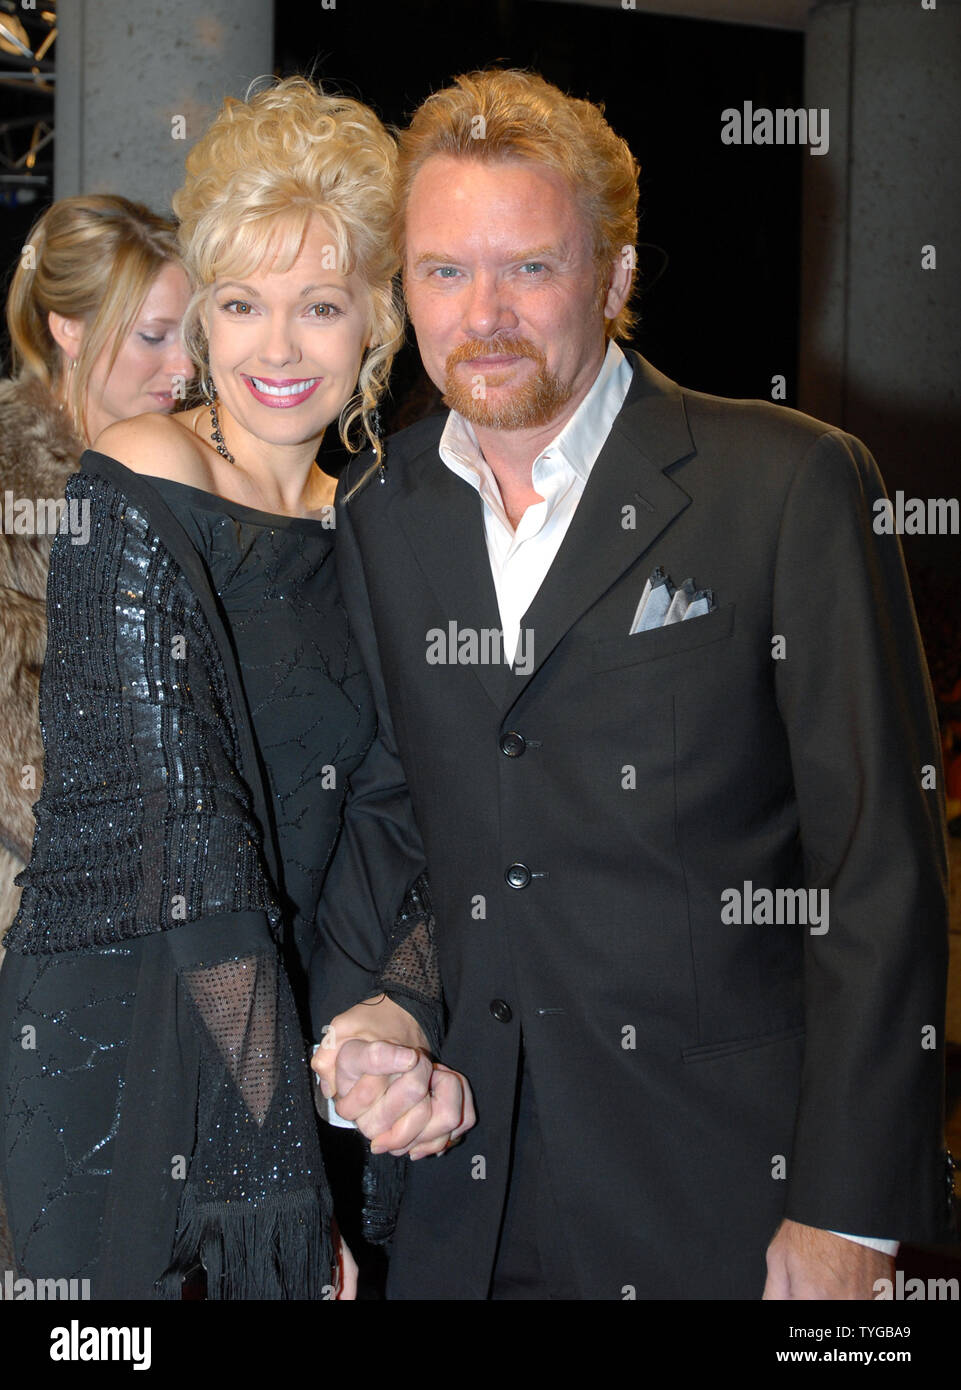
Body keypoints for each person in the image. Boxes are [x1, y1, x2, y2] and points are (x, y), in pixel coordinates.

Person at [311, 68, 954, 1300]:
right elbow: (393, 813)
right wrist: (367, 1022)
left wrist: (846, 1215)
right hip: (457, 1198)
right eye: (444, 271)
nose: (483, 313)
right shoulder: (378, 510)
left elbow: (876, 870)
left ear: (612, 277)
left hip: (726, 1207)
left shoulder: (787, 485)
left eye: (530, 269)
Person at [0, 77, 458, 1300]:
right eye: (242, 303)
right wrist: (275, 1171)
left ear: (377, 322)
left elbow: (408, 813)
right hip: (116, 1032)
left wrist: (394, 1010)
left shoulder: (380, 528)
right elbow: (188, 834)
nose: (277, 347)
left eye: (321, 306)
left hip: (289, 1027)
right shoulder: (139, 472)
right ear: (200, 312)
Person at [0, 195, 191, 949]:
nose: (184, 366)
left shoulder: (203, 479)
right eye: (153, 336)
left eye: (192, 334)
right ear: (67, 328)